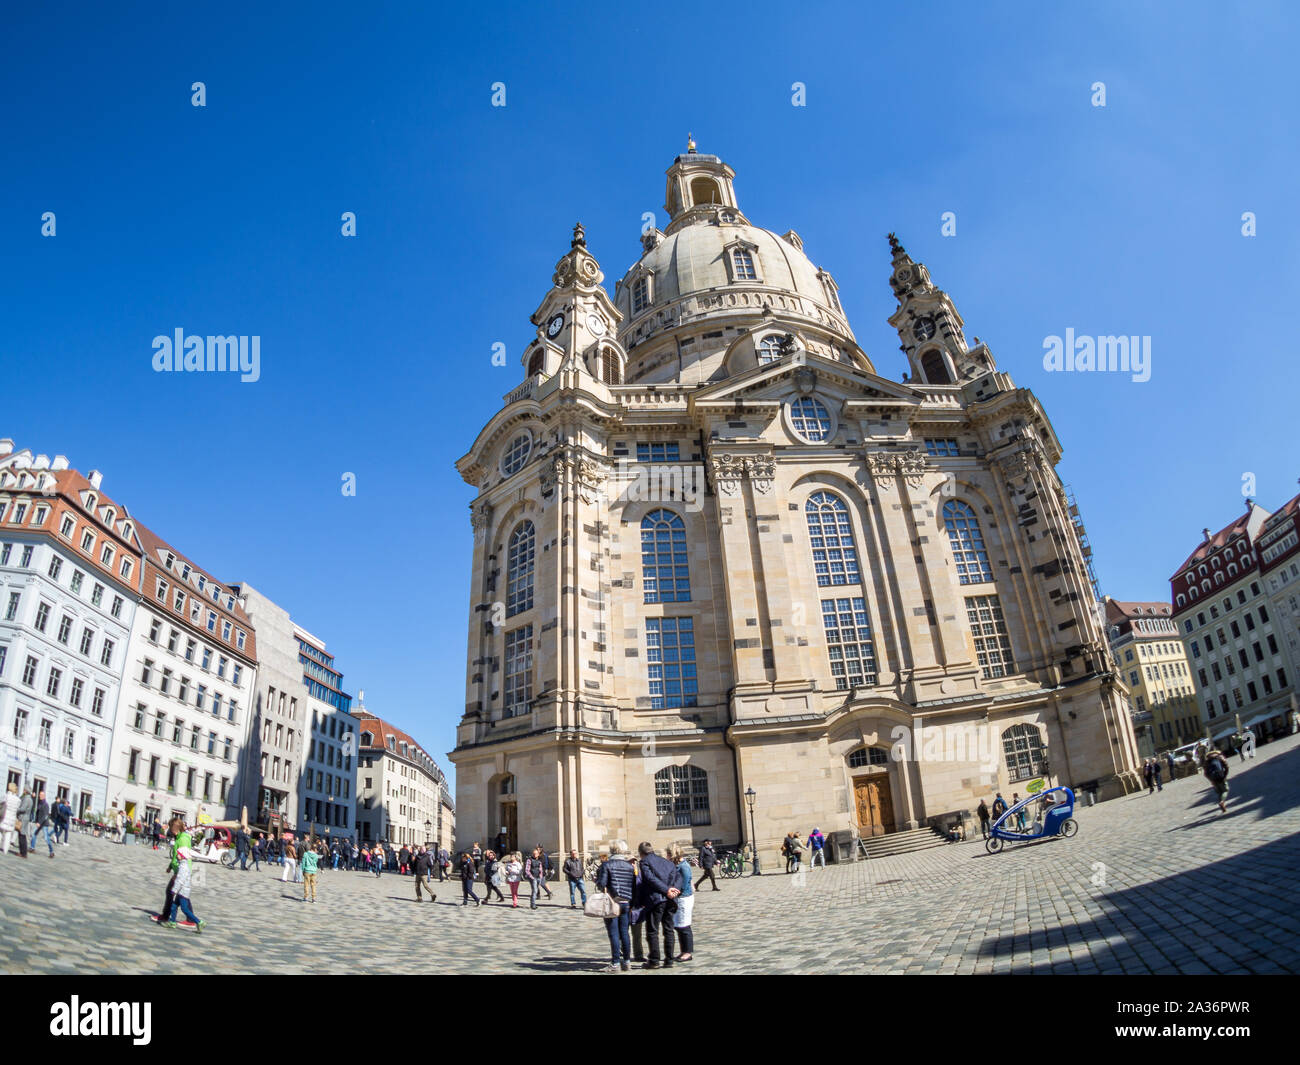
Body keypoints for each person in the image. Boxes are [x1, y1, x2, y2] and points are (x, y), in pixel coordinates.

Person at [636, 841, 680, 969]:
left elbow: (650, 879)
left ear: (641, 853)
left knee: (652, 931)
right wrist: (674, 889)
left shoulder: (644, 862)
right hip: (670, 900)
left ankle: (654, 960)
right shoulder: (667, 862)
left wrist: (667, 890)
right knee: (669, 930)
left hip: (655, 900)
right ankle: (669, 960)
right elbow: (678, 876)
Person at [595, 840, 636, 972]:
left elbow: (602, 884)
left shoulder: (607, 865)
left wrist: (597, 880)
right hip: (626, 902)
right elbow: (633, 886)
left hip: (612, 902)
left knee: (613, 933)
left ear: (611, 850)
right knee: (625, 932)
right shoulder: (630, 866)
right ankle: (627, 962)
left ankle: (615, 963)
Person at [164, 836, 213, 931]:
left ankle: (199, 922)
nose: (176, 855)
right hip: (181, 891)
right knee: (174, 906)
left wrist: (174, 890)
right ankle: (172, 922)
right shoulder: (182, 864)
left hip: (183, 892)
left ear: (182, 856)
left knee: (184, 909)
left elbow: (180, 880)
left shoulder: (184, 867)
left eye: (178, 854)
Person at [671, 845, 695, 962]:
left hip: (684, 898)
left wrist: (674, 892)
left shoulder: (684, 867)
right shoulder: (677, 865)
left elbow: (684, 884)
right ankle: (683, 950)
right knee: (679, 926)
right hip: (679, 898)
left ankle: (687, 952)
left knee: (684, 926)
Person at [28, 790, 54, 858]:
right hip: (39, 823)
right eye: (40, 794)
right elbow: (37, 813)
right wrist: (36, 820)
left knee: (46, 838)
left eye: (42, 795)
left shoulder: (46, 804)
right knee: (34, 834)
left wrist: (39, 822)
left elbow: (45, 815)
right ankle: (32, 848)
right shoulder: (40, 803)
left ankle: (51, 852)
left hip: (44, 824)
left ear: (44, 796)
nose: (41, 796)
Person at [1204, 747, 1231, 813]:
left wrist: (1211, 780)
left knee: (1219, 792)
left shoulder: (1207, 760)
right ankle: (1222, 802)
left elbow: (1205, 773)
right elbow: (1226, 767)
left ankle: (1222, 806)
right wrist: (1225, 775)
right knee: (1225, 790)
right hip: (1221, 776)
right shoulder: (1220, 757)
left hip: (1213, 778)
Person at [0, 782, 20, 856]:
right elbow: (17, 808)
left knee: (1, 831)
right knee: (8, 833)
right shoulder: (17, 799)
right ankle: (5, 850)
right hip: (12, 818)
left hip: (4, 816)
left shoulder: (6, 796)